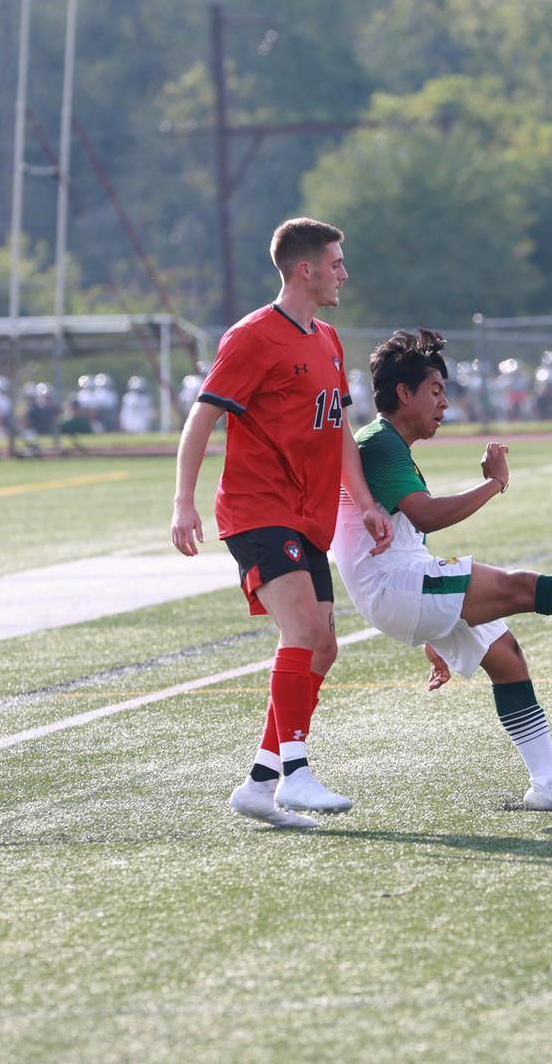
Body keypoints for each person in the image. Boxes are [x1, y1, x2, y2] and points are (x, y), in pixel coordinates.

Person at [330, 328, 552, 809]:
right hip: (393, 584)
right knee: (522, 588)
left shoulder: (385, 444)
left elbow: (410, 530)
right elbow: (427, 514)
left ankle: (549, 786)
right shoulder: (380, 443)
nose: (444, 405)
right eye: (435, 392)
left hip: (399, 585)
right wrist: (495, 483)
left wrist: (432, 628)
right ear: (403, 393)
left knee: (507, 658)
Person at [171, 217, 393, 830]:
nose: (344, 273)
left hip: (308, 515)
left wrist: (367, 502)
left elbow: (339, 430)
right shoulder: (253, 337)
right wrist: (183, 501)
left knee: (323, 645)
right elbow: (203, 418)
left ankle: (260, 783)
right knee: (300, 629)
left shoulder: (327, 338)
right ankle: (297, 772)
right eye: (338, 262)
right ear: (306, 269)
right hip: (257, 508)